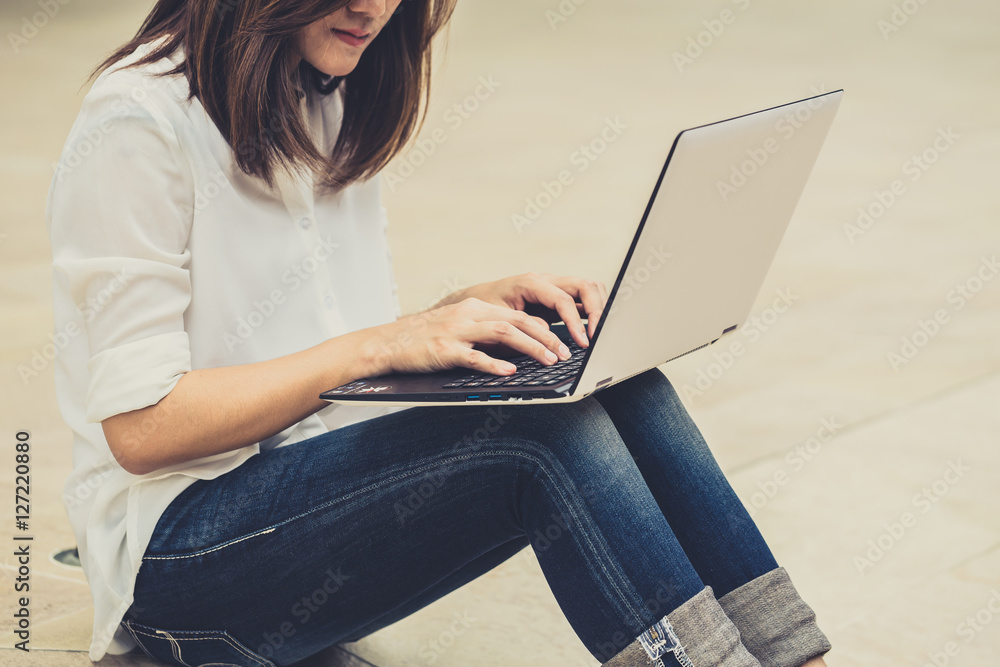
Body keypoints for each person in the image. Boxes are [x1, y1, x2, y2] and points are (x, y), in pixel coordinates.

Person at [47, 1, 833, 665]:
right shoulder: (136, 119)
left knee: (605, 373)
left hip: (301, 500)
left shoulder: (327, 94)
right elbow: (142, 426)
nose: (375, 7)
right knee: (546, 441)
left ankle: (796, 654)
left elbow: (326, 351)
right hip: (183, 562)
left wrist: (465, 314)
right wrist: (385, 343)